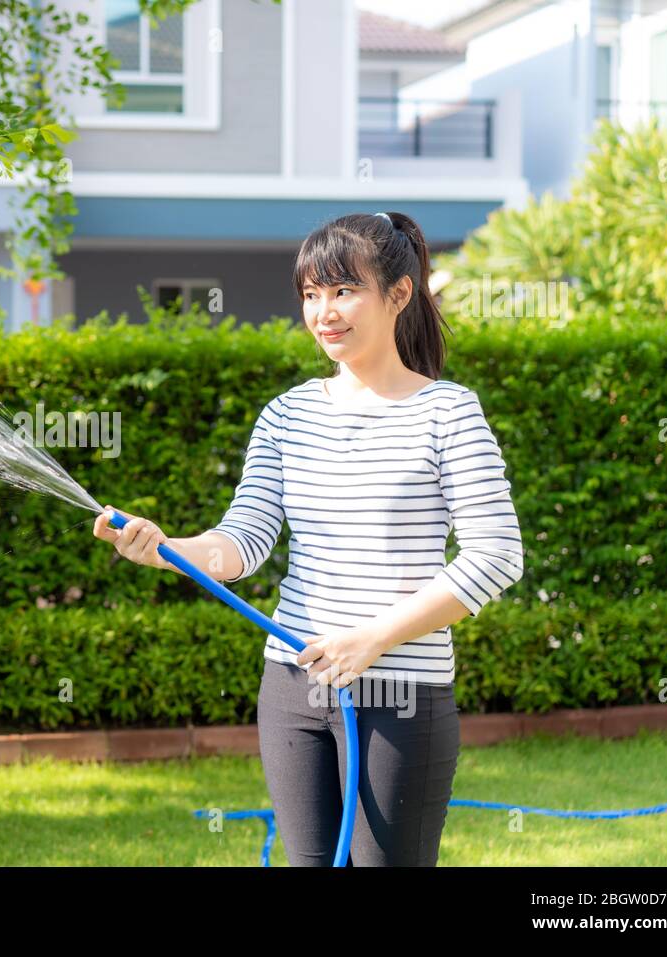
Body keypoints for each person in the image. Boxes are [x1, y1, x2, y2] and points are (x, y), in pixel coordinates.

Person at [92, 211, 524, 866]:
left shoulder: (449, 412)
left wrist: (373, 638)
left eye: (344, 290)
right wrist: (168, 547)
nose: (325, 312)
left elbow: (497, 555)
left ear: (399, 294)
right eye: (311, 294)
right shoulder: (286, 415)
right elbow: (244, 539)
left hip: (398, 689)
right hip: (292, 686)